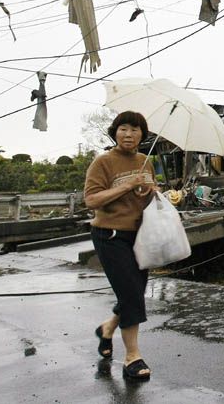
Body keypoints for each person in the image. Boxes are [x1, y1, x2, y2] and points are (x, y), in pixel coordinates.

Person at [84, 111, 156, 381]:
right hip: (110, 236)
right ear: (115, 132)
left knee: (134, 291)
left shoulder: (145, 163)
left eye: (135, 130)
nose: (129, 134)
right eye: (124, 129)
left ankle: (107, 328)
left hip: (140, 236)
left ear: (142, 135)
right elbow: (91, 200)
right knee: (131, 296)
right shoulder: (102, 162)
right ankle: (132, 358)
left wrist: (155, 194)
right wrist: (128, 185)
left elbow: (144, 195)